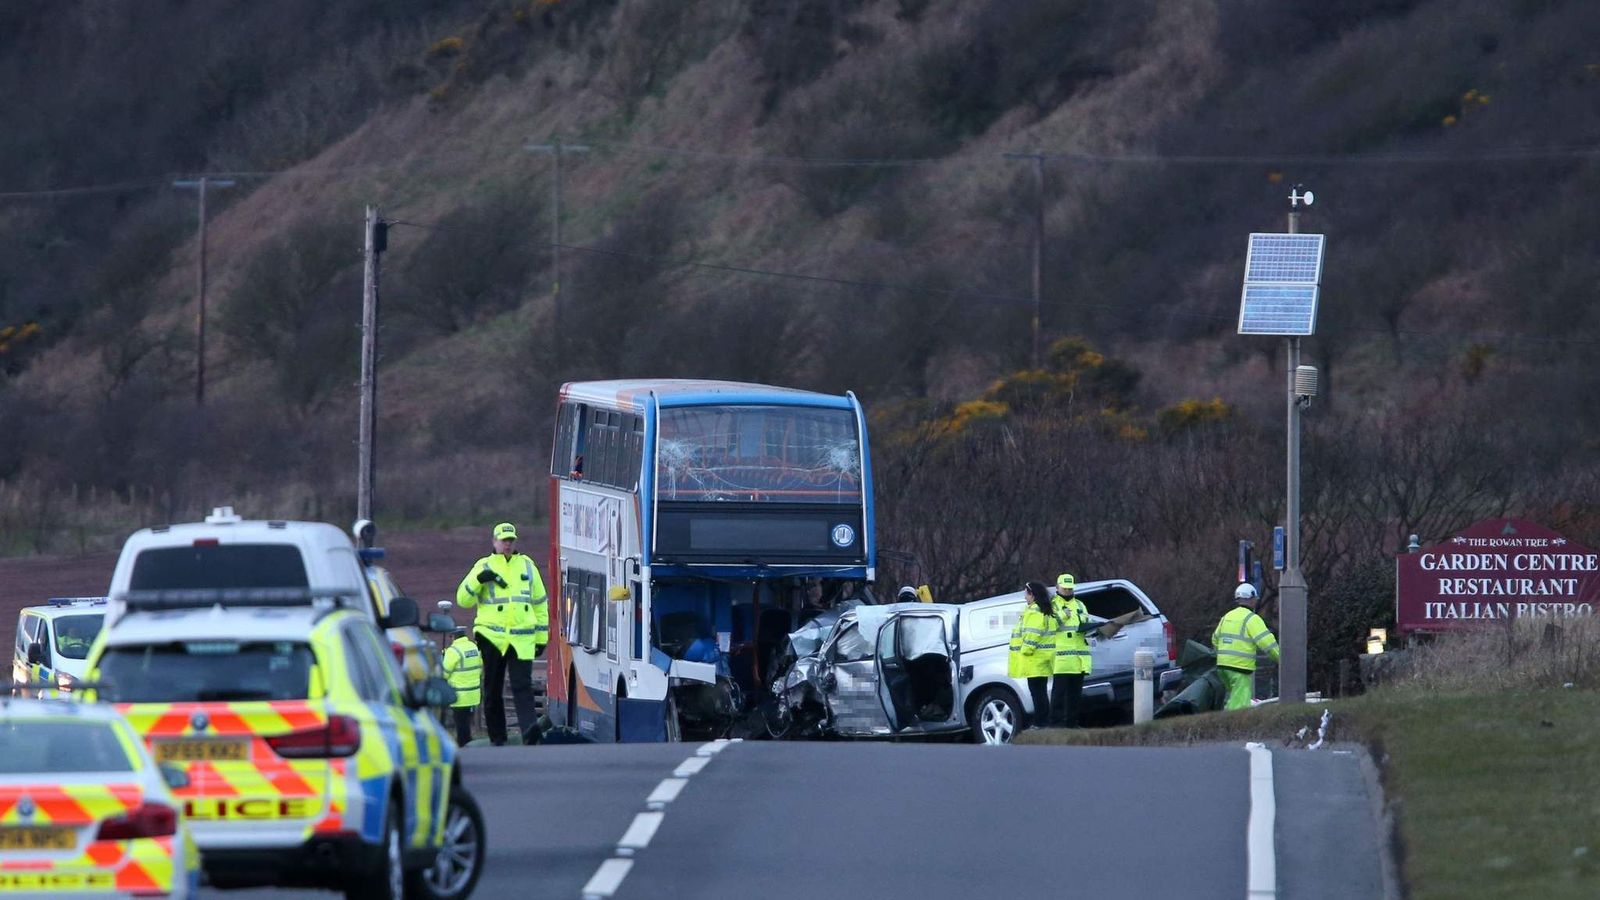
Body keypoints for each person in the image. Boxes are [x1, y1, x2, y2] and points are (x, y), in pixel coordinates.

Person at [456, 522, 548, 746]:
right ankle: (498, 738)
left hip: (522, 638)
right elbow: (462, 599)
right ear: (494, 542)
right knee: (493, 687)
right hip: (491, 637)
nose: (507, 544)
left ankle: (529, 732)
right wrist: (478, 580)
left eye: (511, 540)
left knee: (522, 686)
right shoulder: (483, 565)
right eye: (503, 540)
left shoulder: (527, 566)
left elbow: (540, 604)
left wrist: (541, 637)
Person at [1213, 583, 1281, 710]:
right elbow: (1267, 643)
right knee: (1240, 705)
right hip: (1240, 668)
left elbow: (1215, 639)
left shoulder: (1227, 616)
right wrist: (1281, 659)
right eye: (1255, 598)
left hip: (1222, 667)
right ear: (1251, 599)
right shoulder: (1252, 619)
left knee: (1233, 698)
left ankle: (1225, 722)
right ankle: (1234, 727)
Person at [1050, 573, 1092, 728]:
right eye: (1064, 588)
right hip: (1061, 659)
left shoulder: (1080, 605)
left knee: (1075, 695)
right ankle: (1055, 725)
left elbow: (1086, 622)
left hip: (1078, 658)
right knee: (1059, 694)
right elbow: (1048, 626)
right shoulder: (1052, 605)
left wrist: (1092, 628)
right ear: (1057, 587)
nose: (1067, 591)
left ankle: (1072, 724)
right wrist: (1062, 615)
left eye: (1069, 588)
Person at [1016, 581, 1059, 728]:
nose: (1025, 597)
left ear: (1032, 595)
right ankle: (1043, 721)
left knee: (1037, 693)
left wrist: (1025, 649)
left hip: (1034, 659)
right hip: (1042, 659)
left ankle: (1041, 722)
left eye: (1026, 594)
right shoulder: (1044, 610)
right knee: (1040, 692)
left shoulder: (1034, 611)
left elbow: (1033, 633)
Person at [441, 626, 482, 746]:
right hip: (473, 693)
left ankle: (464, 746)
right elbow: (479, 667)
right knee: (467, 722)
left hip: (459, 695)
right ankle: (468, 743)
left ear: (453, 636)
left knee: (461, 724)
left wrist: (444, 658)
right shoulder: (474, 647)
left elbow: (445, 673)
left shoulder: (453, 650)